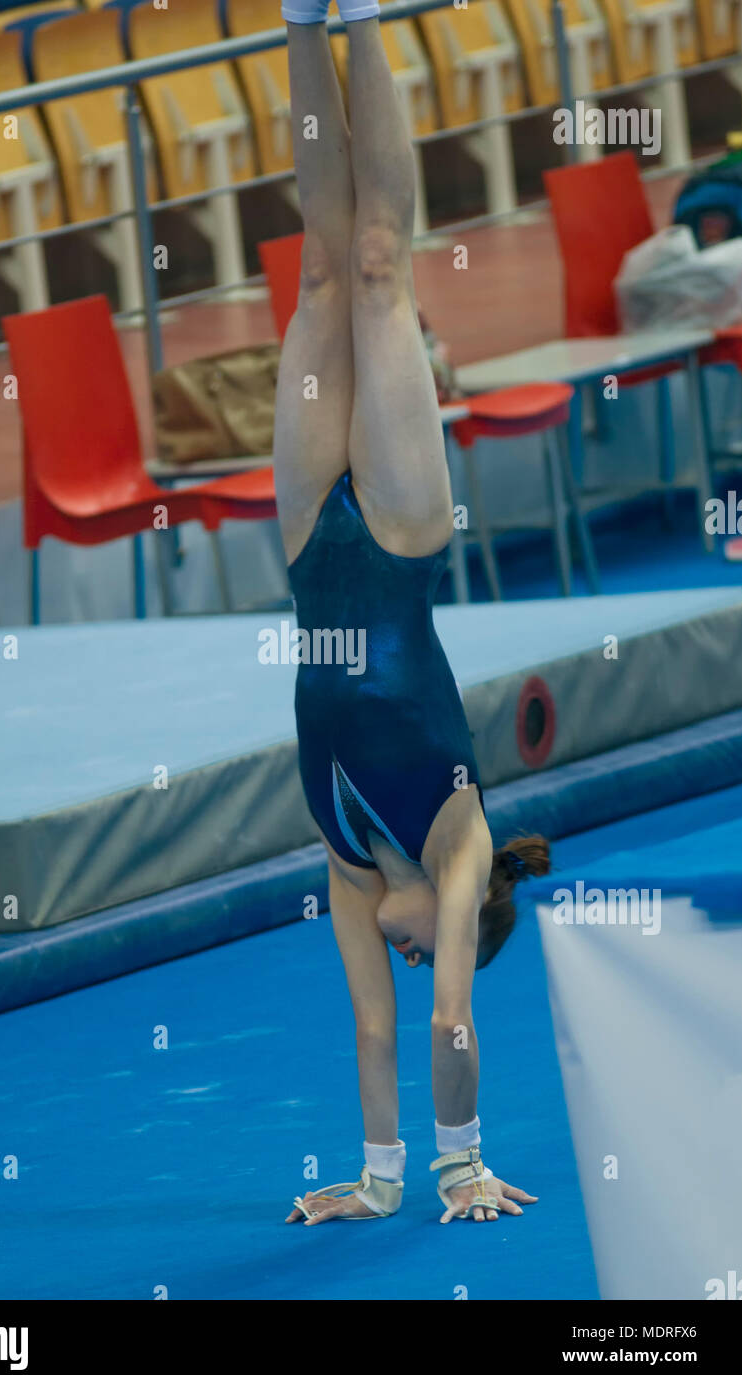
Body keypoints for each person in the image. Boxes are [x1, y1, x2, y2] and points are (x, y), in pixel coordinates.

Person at [276, 0, 547, 1226]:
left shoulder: (342, 860)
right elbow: (445, 1013)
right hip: (395, 533)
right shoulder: (458, 846)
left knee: (320, 268)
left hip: (302, 548)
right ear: (458, 919)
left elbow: (374, 1030)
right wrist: (463, 1163)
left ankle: (296, 18)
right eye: (423, 941)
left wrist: (380, 1182)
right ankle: (372, 16)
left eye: (406, 946)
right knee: (380, 264)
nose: (401, 949)